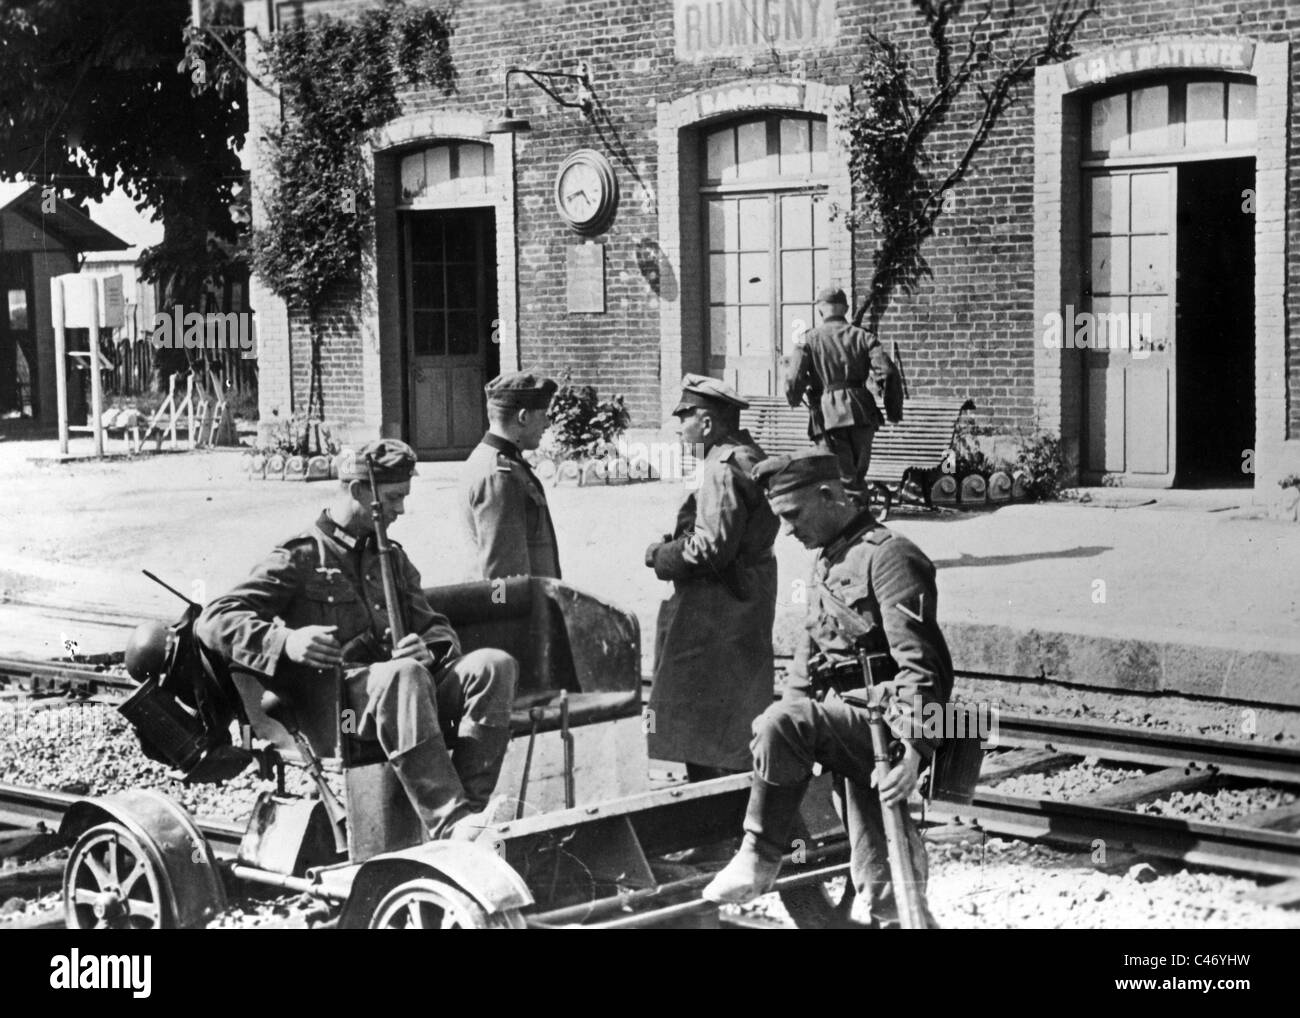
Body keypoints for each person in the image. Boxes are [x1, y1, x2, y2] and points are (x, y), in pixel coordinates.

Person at [197, 438, 518, 840]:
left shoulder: (392, 558)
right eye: (394, 497)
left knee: (493, 666)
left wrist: (430, 648)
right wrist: (287, 641)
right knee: (404, 676)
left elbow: (435, 625)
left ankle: (472, 812)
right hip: (339, 707)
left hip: (401, 694)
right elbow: (215, 618)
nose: (401, 509)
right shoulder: (300, 556)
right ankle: (451, 825)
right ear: (357, 491)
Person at [703, 450, 953, 927]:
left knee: (784, 725)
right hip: (852, 727)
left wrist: (914, 751)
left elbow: (924, 667)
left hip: (889, 728)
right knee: (880, 868)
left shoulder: (890, 555)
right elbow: (809, 659)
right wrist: (787, 729)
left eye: (793, 516)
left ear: (829, 495)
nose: (789, 530)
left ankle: (758, 853)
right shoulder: (829, 559)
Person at [645, 374, 779, 782]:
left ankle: (714, 813)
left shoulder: (720, 468)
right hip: (742, 596)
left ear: (705, 423)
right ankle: (732, 806)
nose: (679, 430)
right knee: (732, 708)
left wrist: (660, 556)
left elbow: (710, 549)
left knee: (698, 711)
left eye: (683, 419)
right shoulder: (745, 456)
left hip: (717, 605)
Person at [784, 286, 899, 502]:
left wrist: (794, 397)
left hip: (829, 415)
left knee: (840, 478)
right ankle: (859, 518)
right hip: (864, 412)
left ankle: (853, 524)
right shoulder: (864, 337)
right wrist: (893, 411)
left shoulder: (807, 339)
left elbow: (792, 379)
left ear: (820, 309)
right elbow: (889, 372)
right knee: (856, 474)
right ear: (845, 309)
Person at [463, 371, 561, 580]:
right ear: (523, 417)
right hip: (517, 610)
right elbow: (501, 576)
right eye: (543, 415)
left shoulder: (495, 462)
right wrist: (503, 610)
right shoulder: (499, 476)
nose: (547, 424)